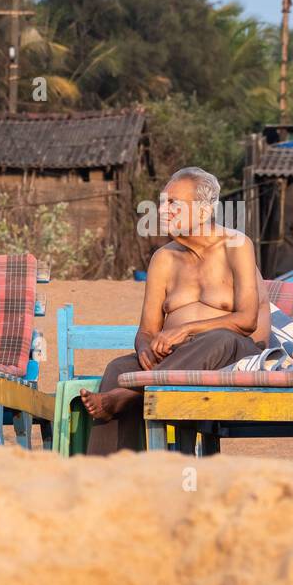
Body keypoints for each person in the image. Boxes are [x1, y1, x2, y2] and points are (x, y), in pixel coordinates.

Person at [79, 167, 270, 454]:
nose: (162, 210)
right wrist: (145, 348)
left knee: (219, 338)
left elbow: (246, 320)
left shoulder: (236, 245)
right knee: (119, 368)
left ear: (204, 213)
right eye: (161, 202)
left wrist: (185, 330)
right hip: (179, 360)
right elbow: (147, 329)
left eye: (173, 204)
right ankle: (107, 480)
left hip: (238, 354)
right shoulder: (163, 259)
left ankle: (129, 395)